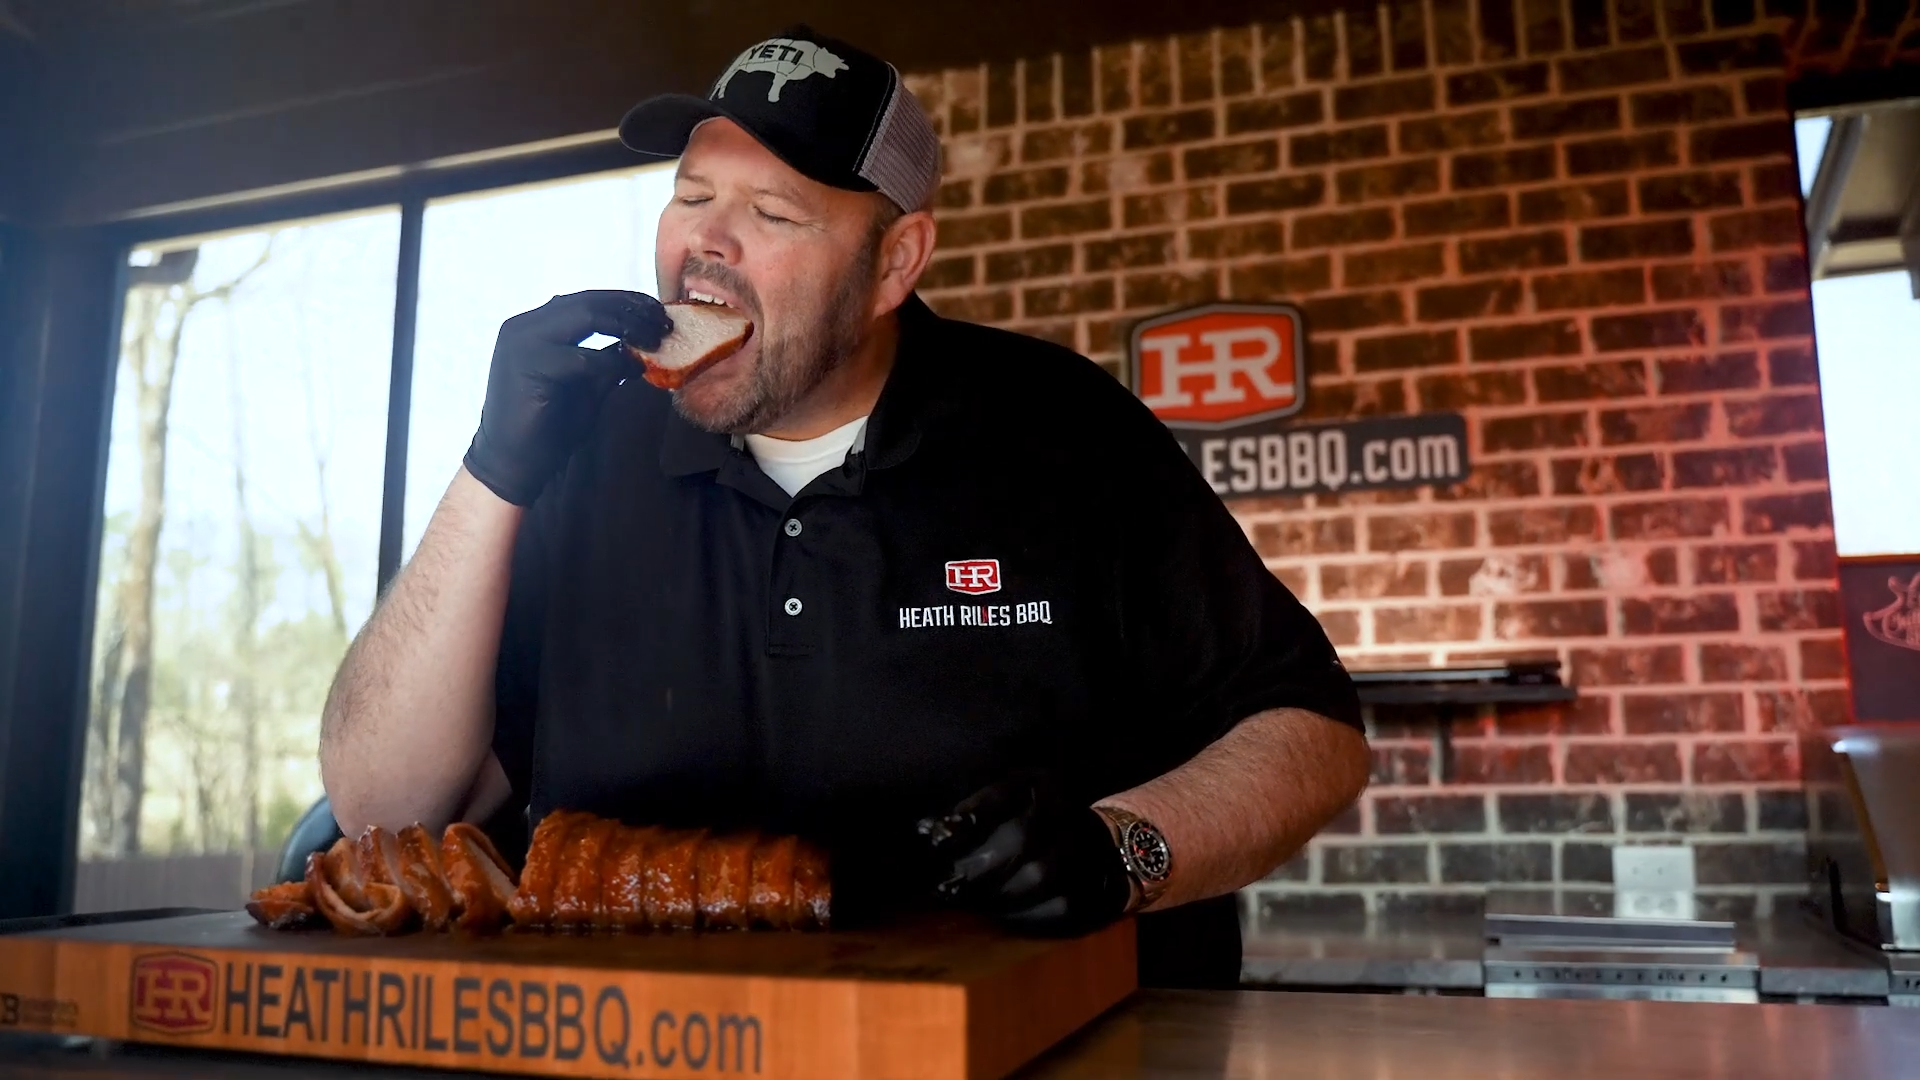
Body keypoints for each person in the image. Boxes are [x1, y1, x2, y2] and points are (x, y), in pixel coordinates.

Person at [318, 25, 1368, 988]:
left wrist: (1125, 848)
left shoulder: (1059, 431)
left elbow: (1310, 728)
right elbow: (384, 811)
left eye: (772, 213)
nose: (707, 243)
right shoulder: (582, 448)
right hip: (651, 1049)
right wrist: (493, 468)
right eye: (692, 196)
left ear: (894, 264)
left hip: (1040, 1043)